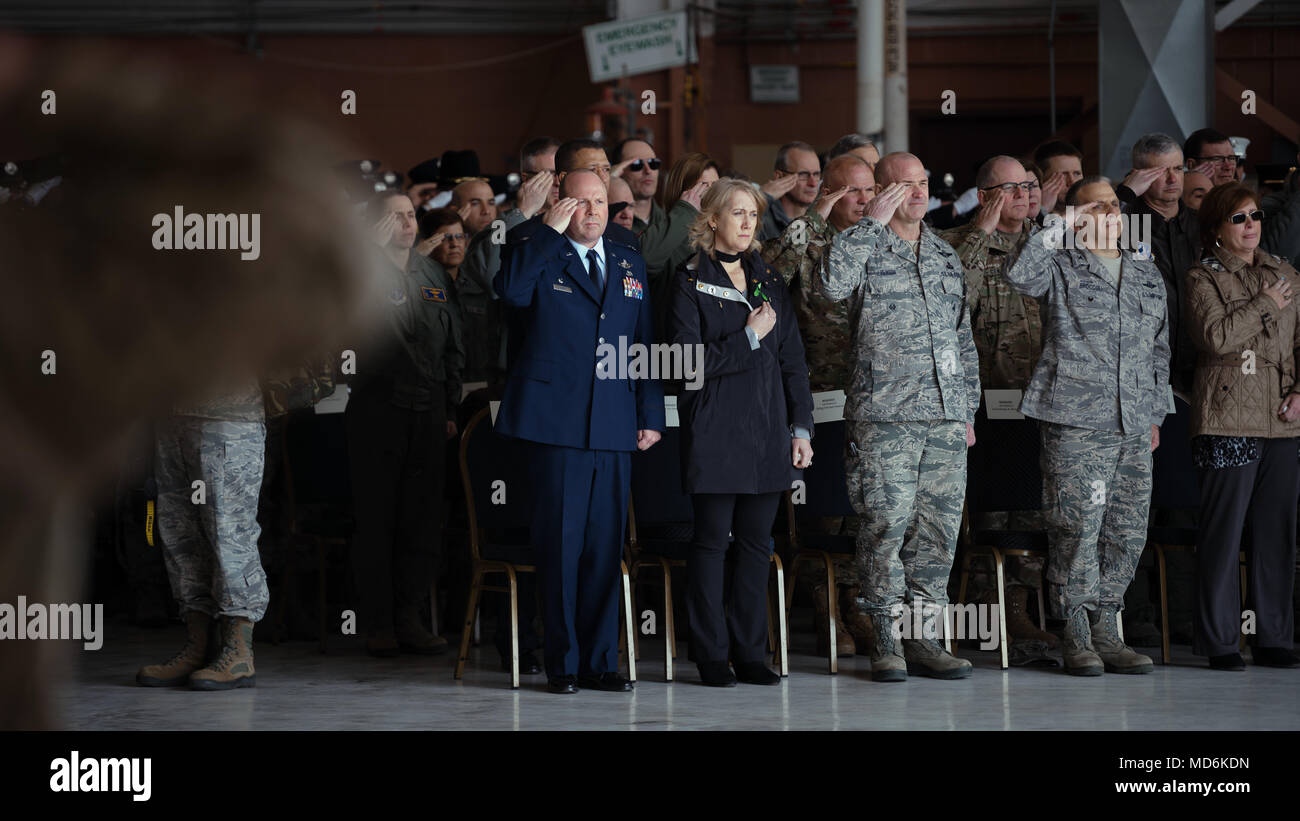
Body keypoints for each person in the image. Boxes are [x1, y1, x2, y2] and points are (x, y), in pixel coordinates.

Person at [494, 169, 665, 694]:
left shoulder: (627, 259)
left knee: (603, 549)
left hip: (613, 425)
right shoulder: (537, 250)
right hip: (556, 424)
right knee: (561, 547)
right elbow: (510, 293)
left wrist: (649, 415)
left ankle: (600, 662)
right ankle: (563, 663)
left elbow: (643, 344)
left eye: (600, 202)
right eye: (581, 202)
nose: (593, 211)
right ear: (560, 204)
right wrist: (547, 229)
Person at [816, 151, 981, 682]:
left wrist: (967, 408)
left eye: (922, 183)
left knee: (937, 531)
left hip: (945, 418)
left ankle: (926, 638)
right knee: (885, 525)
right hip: (885, 415)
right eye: (902, 185)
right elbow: (831, 284)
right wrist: (872, 223)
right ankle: (885, 640)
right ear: (881, 190)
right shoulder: (860, 246)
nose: (915, 192)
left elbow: (963, 337)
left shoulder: (943, 254)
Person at [1004, 176, 1170, 676]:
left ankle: (1107, 629)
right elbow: (1018, 276)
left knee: (1127, 530)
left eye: (1113, 205)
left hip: (1135, 423)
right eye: (1094, 206)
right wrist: (1060, 225)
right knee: (1078, 528)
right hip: (1076, 421)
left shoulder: (1144, 267)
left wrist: (1156, 412)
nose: (1109, 213)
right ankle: (1074, 630)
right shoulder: (1058, 263)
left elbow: (1159, 346)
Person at [669, 179, 814, 686]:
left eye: (753, 214)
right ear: (712, 219)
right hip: (714, 431)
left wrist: (801, 428)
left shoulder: (768, 278)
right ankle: (711, 654)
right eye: (737, 213)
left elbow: (794, 360)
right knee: (711, 545)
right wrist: (748, 339)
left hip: (768, 431)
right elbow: (686, 364)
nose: (749, 222)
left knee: (756, 545)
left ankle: (752, 653)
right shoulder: (688, 280)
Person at [938, 155, 1058, 664]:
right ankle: (986, 610)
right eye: (1013, 188)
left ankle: (1021, 607)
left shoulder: (1049, 245)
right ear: (987, 195)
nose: (1026, 195)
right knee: (986, 511)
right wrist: (980, 236)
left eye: (1030, 186)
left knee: (1033, 510)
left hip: (1038, 401)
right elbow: (945, 303)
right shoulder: (950, 243)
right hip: (979, 402)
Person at [761, 153, 876, 657]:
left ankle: (855, 602)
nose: (863, 201)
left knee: (862, 509)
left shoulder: (880, 242)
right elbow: (767, 278)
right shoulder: (806, 242)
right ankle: (825, 603)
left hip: (871, 398)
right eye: (852, 191)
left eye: (870, 191)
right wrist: (809, 221)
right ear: (828, 192)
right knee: (822, 508)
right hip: (818, 398)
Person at [1185, 182, 1300, 670]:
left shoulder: (1284, 272)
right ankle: (1221, 641)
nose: (1250, 225)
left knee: (1276, 532)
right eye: (1238, 218)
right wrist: (1266, 304)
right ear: (1216, 228)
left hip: (1281, 419)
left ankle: (1273, 636)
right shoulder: (1201, 276)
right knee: (1224, 533)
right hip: (1226, 417)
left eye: (1254, 216)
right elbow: (1217, 338)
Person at [346, 188, 463, 658]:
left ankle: (409, 617)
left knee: (422, 519)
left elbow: (455, 343)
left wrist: (451, 407)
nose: (406, 223)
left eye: (410, 214)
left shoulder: (433, 272)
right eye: (394, 216)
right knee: (377, 519)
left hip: (429, 408)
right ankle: (376, 622)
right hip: (378, 410)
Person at [136, 382, 268, 690]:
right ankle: (198, 646)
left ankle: (238, 651)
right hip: (171, 414)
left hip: (229, 414)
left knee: (230, 532)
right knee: (181, 533)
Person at [1116, 133, 1202, 395]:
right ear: (1137, 176)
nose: (1173, 179)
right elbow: (1069, 236)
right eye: (1161, 172)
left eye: (1178, 169)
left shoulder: (1204, 224)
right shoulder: (1121, 224)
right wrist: (1125, 193)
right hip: (1142, 369)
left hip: (1200, 367)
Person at [759, 141, 821, 242]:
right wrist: (761, 198)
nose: (813, 183)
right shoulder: (760, 218)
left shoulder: (822, 215)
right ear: (780, 177)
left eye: (816, 174)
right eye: (803, 175)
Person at [1032, 140, 1084, 216]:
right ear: (1040, 179)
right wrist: (1042, 210)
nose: (1072, 182)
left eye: (1077, 173)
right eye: (1062, 175)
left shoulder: (1095, 215)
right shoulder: (1025, 219)